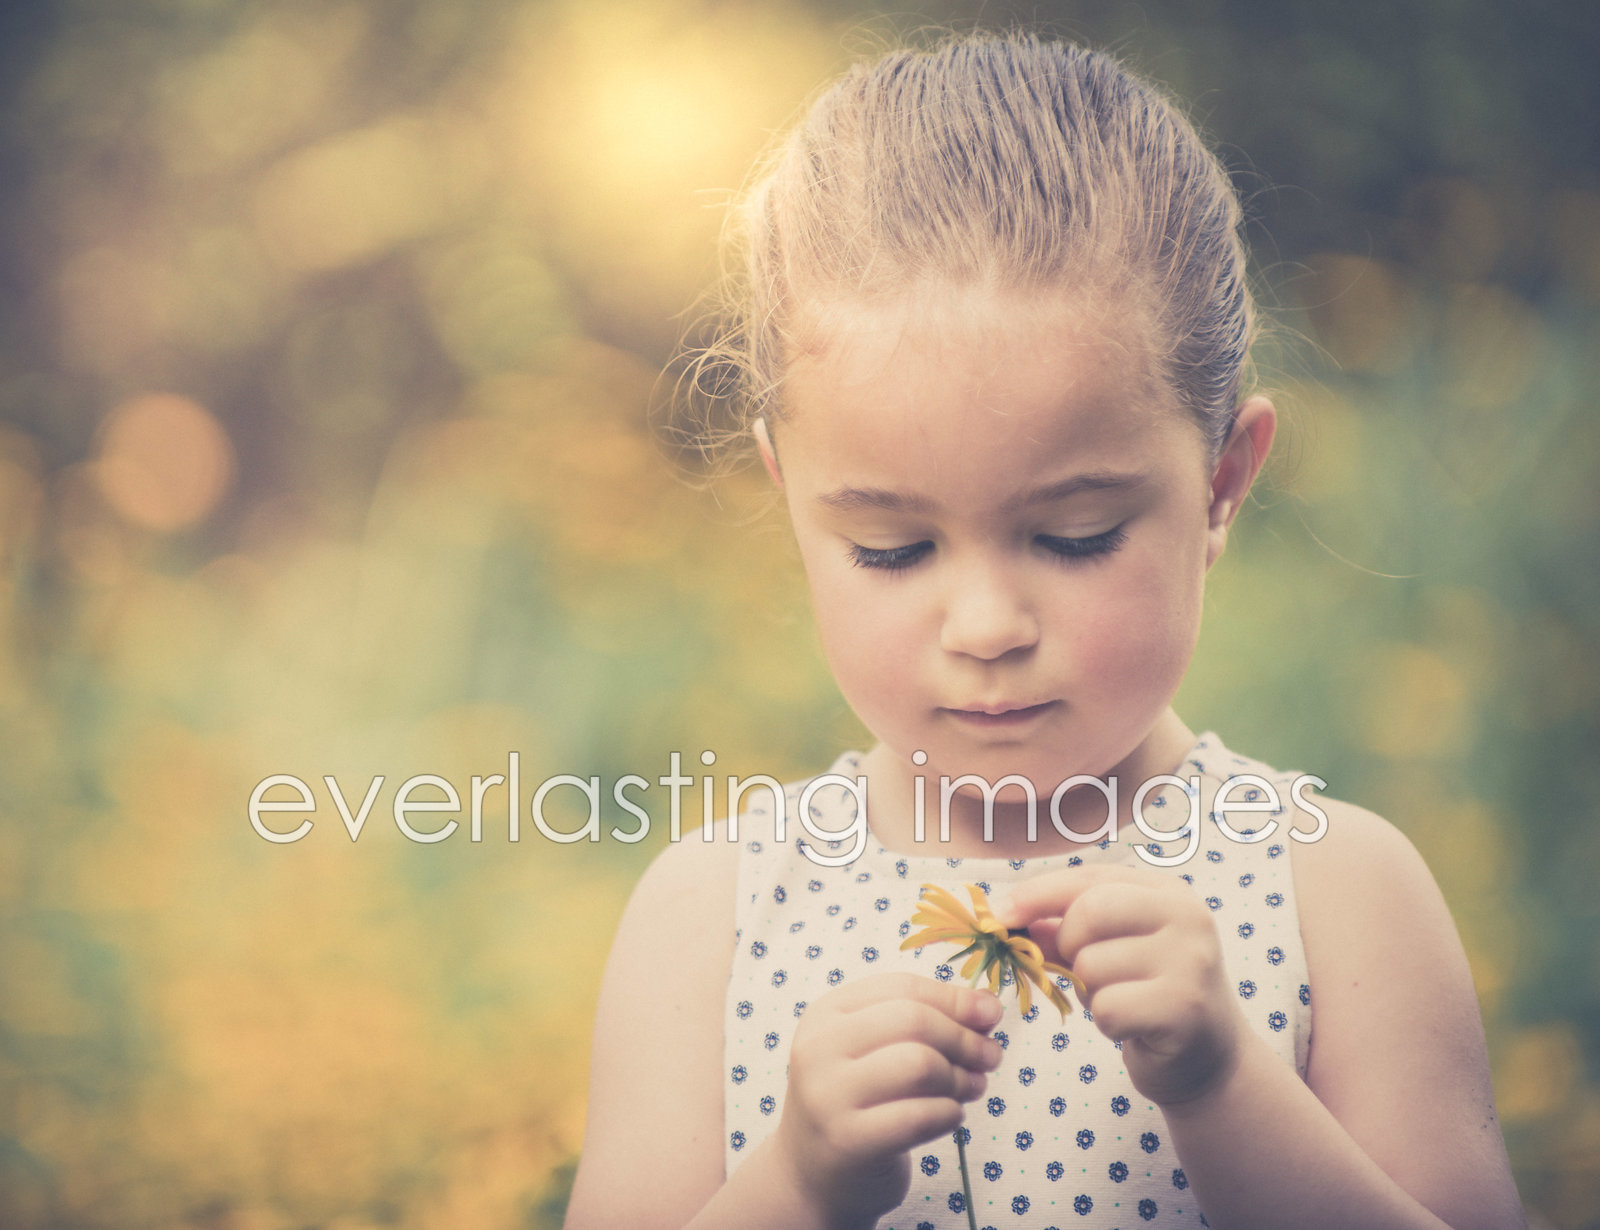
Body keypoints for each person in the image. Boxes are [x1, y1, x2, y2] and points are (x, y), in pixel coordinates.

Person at [563, 31, 1526, 1230]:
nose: (984, 627)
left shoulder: (1331, 890)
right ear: (788, 500)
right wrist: (798, 1181)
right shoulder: (716, 912)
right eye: (891, 550)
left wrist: (1224, 1084)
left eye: (1073, 537)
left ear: (1221, 483)